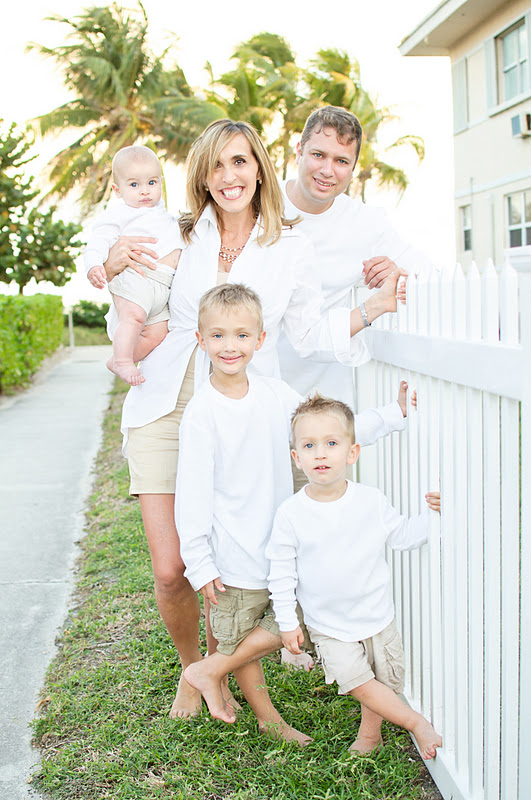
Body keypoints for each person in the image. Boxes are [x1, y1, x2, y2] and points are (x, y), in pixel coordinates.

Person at [102, 119, 405, 719]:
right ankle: (194, 668)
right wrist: (109, 263)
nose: (228, 176)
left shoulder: (290, 245)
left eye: (240, 162)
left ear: (259, 168)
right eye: (215, 165)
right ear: (202, 176)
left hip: (242, 411)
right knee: (171, 570)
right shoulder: (178, 232)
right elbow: (127, 298)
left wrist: (372, 306)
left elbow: (310, 332)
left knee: (241, 559)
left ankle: (216, 673)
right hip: (165, 399)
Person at [184, 393, 442, 761]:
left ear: (352, 453)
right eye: (309, 446)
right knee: (359, 683)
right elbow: (283, 575)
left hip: (377, 615)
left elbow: (403, 536)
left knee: (383, 679)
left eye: (331, 444)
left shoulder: (371, 500)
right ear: (297, 457)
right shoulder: (291, 514)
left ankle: (371, 735)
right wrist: (287, 624)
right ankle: (415, 722)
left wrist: (436, 517)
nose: (320, 454)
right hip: (329, 624)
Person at [278, 105, 438, 409]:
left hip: (324, 396)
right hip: (257, 383)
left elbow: (432, 273)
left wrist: (398, 269)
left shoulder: (365, 223)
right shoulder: (263, 202)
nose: (328, 170)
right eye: (318, 155)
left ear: (353, 167)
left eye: (341, 161)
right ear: (299, 150)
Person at [84, 145, 182, 385]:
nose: (144, 191)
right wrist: (95, 265)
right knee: (134, 317)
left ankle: (120, 358)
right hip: (136, 278)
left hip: (163, 285)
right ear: (117, 190)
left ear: (161, 182)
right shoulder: (119, 214)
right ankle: (123, 361)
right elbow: (98, 240)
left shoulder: (166, 216)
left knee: (158, 333)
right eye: (134, 185)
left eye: (151, 182)